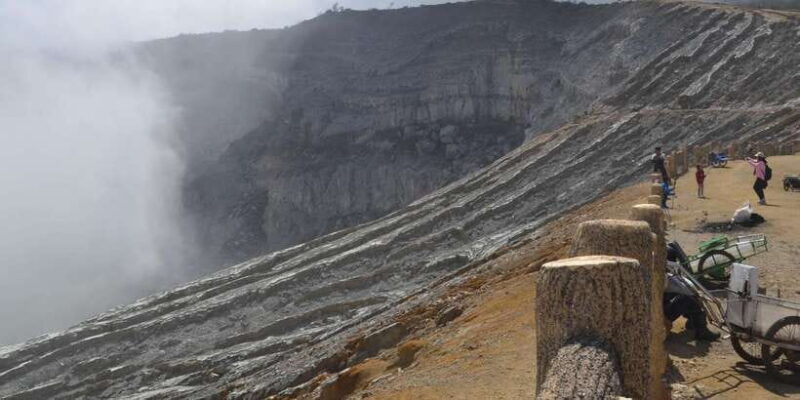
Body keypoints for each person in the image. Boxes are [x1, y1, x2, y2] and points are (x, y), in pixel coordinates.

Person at [664, 243, 720, 341]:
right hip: (664, 314)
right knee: (691, 297)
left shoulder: (662, 274)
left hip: (663, 307)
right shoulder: (666, 277)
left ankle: (693, 323)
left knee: (687, 295)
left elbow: (673, 244)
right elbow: (689, 290)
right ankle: (701, 330)